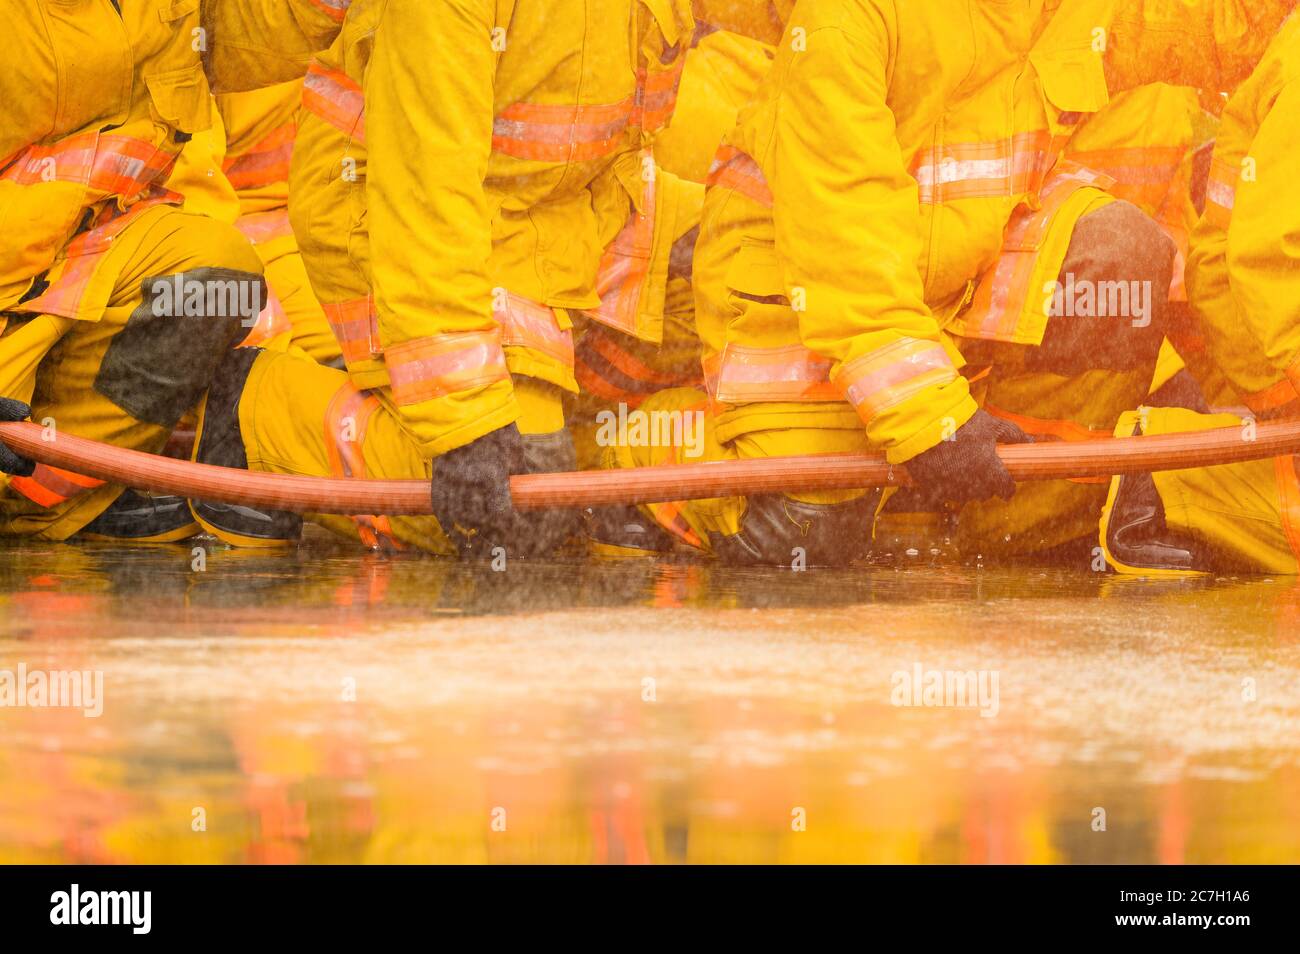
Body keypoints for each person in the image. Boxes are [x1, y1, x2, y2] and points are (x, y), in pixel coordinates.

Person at [604, 0, 1296, 567]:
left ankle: (1004, 524)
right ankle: (625, 448)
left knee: (1118, 253)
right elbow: (847, 247)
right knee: (807, 539)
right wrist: (929, 418)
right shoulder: (848, 19)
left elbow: (1218, 27)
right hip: (798, 290)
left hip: (956, 272)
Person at [0, 0, 341, 543]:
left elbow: (244, 34)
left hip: (71, 263)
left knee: (213, 278)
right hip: (14, 287)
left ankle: (52, 500)